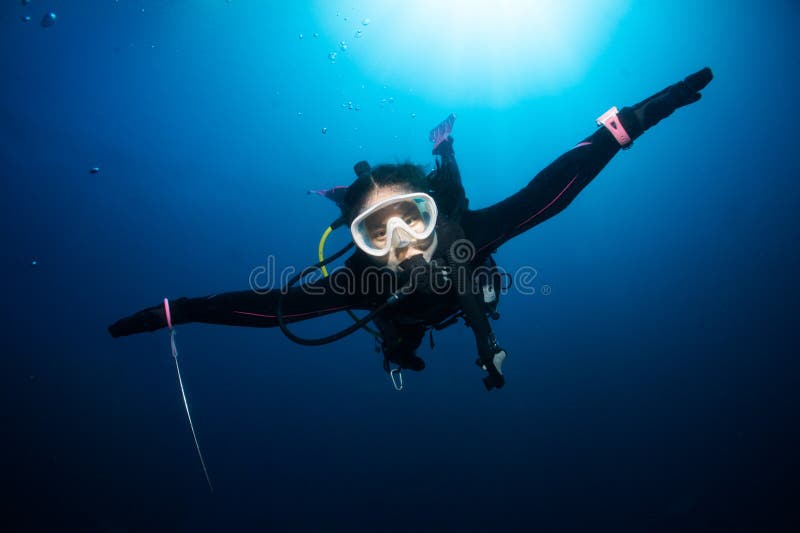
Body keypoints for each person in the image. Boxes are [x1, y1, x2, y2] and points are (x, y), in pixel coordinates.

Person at [108, 68, 714, 390]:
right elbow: (274, 309)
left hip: (460, 262)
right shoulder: (363, 283)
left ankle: (445, 150)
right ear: (362, 242)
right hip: (407, 313)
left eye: (411, 219)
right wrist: (178, 310)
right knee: (398, 331)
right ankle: (397, 334)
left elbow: (552, 190)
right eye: (379, 232)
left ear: (430, 216)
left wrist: (633, 118)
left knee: (456, 190)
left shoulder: (462, 232)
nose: (401, 242)